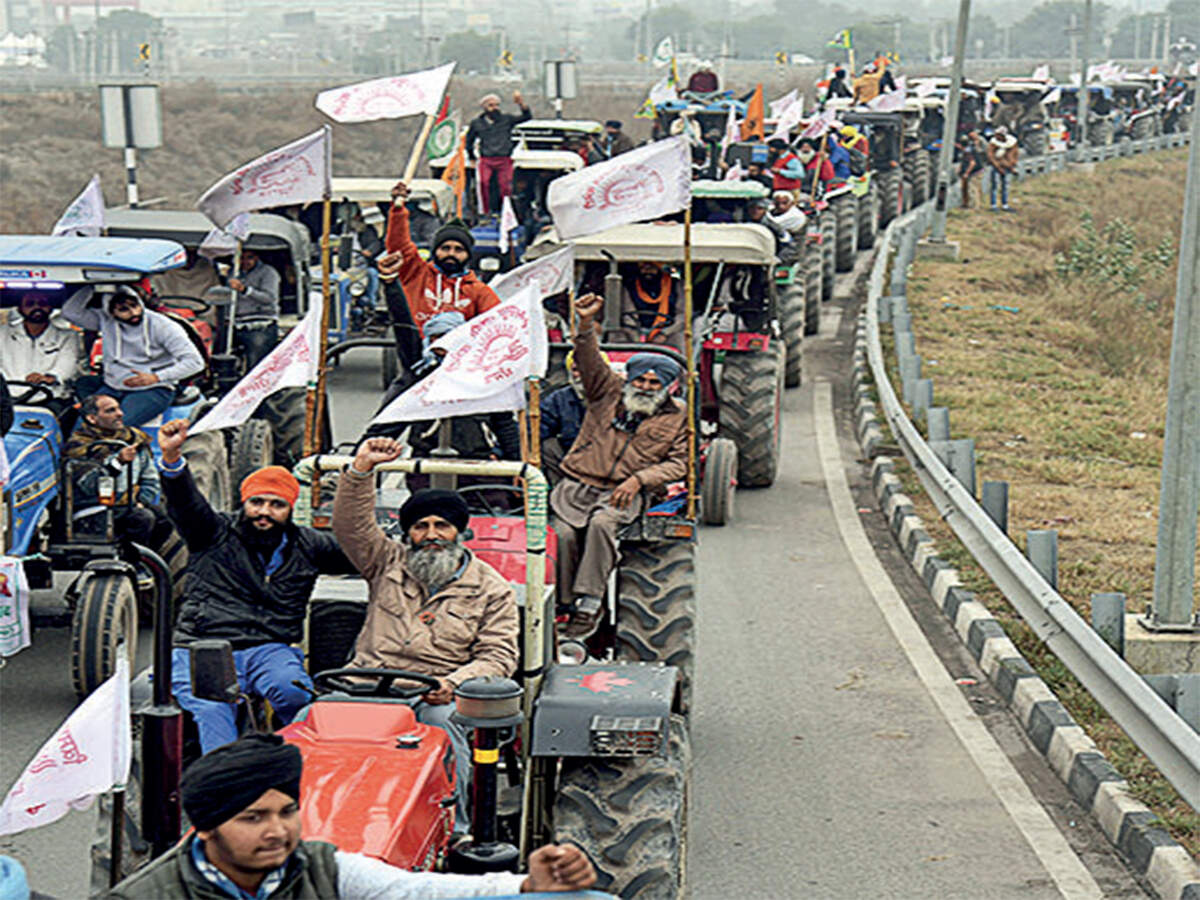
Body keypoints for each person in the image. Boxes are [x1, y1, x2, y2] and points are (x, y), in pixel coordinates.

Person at [107, 733, 596, 899]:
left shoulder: (323, 867)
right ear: (207, 826)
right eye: (254, 818)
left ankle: (462, 820)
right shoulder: (147, 894)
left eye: (288, 812)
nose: (279, 832)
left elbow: (418, 890)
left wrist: (522, 885)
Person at [332, 446, 519, 832]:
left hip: (434, 692)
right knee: (310, 721)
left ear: (460, 532)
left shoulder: (491, 588)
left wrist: (453, 684)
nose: (431, 534)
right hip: (365, 684)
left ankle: (459, 829)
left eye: (441, 526)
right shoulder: (384, 561)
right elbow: (351, 526)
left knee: (444, 727)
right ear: (408, 533)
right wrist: (361, 469)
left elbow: (498, 656)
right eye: (421, 526)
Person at [157, 419, 356, 754]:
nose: (265, 512)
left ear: (290, 509)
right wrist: (173, 457)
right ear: (244, 503)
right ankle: (224, 783)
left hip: (269, 648)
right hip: (207, 646)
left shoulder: (310, 544)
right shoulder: (212, 532)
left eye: (276, 505)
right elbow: (184, 502)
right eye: (257, 503)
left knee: (297, 695)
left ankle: (298, 770)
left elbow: (366, 557)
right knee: (213, 711)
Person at [551, 293, 687, 633]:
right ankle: (563, 603)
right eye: (640, 380)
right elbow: (588, 359)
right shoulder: (606, 391)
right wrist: (584, 324)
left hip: (622, 494)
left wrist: (640, 480)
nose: (645, 387)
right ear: (629, 379)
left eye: (654, 383)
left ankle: (589, 604)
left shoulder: (678, 416)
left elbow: (679, 464)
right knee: (562, 533)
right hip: (576, 485)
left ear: (668, 388)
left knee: (602, 525)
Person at [63, 284, 204, 427]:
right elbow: (70, 312)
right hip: (113, 387)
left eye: (135, 306)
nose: (134, 313)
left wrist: (156, 377)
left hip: (154, 390)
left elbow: (195, 362)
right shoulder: (105, 320)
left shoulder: (163, 326)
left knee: (112, 426)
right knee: (83, 425)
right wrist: (95, 285)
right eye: (124, 309)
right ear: (110, 312)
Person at [385, 181, 502, 335]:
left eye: (458, 250)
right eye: (445, 248)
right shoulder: (417, 274)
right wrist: (398, 210)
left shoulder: (478, 291)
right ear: (435, 251)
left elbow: (497, 322)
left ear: (468, 256)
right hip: (415, 351)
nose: (451, 254)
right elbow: (399, 247)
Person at [65, 393, 173, 548]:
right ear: (92, 419)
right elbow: (88, 487)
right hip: (93, 507)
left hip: (129, 505)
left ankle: (143, 561)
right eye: (110, 411)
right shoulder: (80, 447)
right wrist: (117, 463)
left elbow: (150, 479)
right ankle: (132, 561)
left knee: (165, 521)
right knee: (143, 519)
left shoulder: (134, 440)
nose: (120, 414)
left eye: (118, 409)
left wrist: (142, 501)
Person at [539, 348, 611, 485]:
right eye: (577, 370)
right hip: (570, 465)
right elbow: (535, 430)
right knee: (548, 446)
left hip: (611, 466)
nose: (584, 374)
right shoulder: (559, 399)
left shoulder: (619, 396)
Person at [0, 291, 83, 401]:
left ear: (51, 308)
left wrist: (49, 378)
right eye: (30, 304)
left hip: (51, 398)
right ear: (19, 309)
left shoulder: (68, 336)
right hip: (8, 398)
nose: (37, 307)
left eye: (42, 303)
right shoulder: (2, 333)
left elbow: (68, 364)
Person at [465, 91, 532, 214]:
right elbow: (469, 140)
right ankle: (485, 212)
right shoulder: (477, 123)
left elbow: (526, 117)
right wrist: (471, 157)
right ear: (485, 107)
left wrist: (521, 104)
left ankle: (505, 211)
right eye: (491, 105)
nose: (494, 108)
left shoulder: (506, 119)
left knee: (505, 186)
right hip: (486, 158)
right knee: (483, 183)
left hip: (504, 158)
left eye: (496, 105)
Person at [228, 248, 281, 370]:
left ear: (257, 258)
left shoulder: (268, 272)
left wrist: (245, 290)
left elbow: (269, 298)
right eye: (242, 258)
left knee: (255, 361)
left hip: (260, 323)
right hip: (235, 322)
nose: (245, 261)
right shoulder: (234, 272)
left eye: (250, 257)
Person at [614, 261, 684, 352]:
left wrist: (664, 334)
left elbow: (682, 315)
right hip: (635, 330)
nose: (647, 271)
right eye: (644, 268)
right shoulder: (629, 286)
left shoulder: (677, 285)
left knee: (681, 337)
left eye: (651, 268)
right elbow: (628, 315)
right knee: (616, 335)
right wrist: (637, 337)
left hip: (667, 330)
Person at [986, 125, 1019, 211]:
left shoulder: (1012, 142)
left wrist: (1011, 165)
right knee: (995, 185)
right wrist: (997, 166)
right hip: (997, 166)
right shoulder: (993, 143)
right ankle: (993, 205)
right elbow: (990, 155)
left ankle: (1005, 204)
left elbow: (1014, 154)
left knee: (1005, 186)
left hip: (1007, 166)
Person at [958, 128, 986, 208]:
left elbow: (972, 163)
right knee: (966, 188)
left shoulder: (968, 150)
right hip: (973, 171)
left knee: (973, 188)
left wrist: (966, 173)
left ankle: (975, 206)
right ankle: (966, 204)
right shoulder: (967, 149)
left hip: (975, 172)